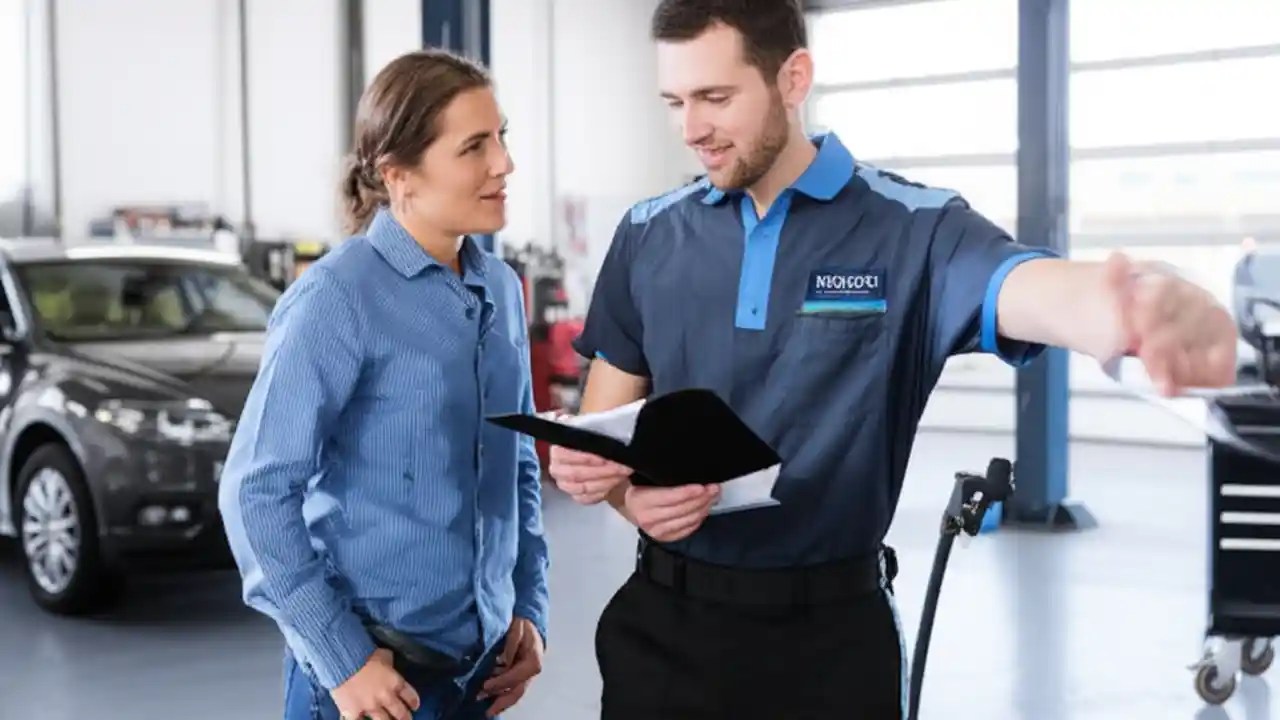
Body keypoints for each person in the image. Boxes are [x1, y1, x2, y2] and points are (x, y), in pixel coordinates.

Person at [547, 1, 1239, 718]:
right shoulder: (647, 234)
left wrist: (1127, 304)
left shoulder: (911, 227)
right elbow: (605, 432)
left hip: (833, 647)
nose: (692, 129)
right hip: (664, 633)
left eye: (716, 98)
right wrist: (629, 496)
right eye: (675, 102)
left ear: (793, 78)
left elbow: (1022, 285)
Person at [218, 49, 549, 720]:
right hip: (373, 687)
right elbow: (256, 493)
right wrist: (342, 660)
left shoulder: (500, 288)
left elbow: (515, 462)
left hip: (478, 676)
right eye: (474, 147)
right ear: (400, 176)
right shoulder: (337, 300)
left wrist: (529, 608)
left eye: (503, 137)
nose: (504, 164)